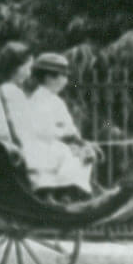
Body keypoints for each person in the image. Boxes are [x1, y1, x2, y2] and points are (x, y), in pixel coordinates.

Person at [26, 52, 99, 195]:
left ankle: (76, 190)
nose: (66, 81)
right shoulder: (38, 100)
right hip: (41, 147)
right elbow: (42, 131)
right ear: (49, 78)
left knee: (86, 152)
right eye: (63, 76)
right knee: (69, 154)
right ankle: (63, 191)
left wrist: (78, 140)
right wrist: (67, 136)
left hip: (56, 144)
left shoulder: (56, 101)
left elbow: (69, 127)